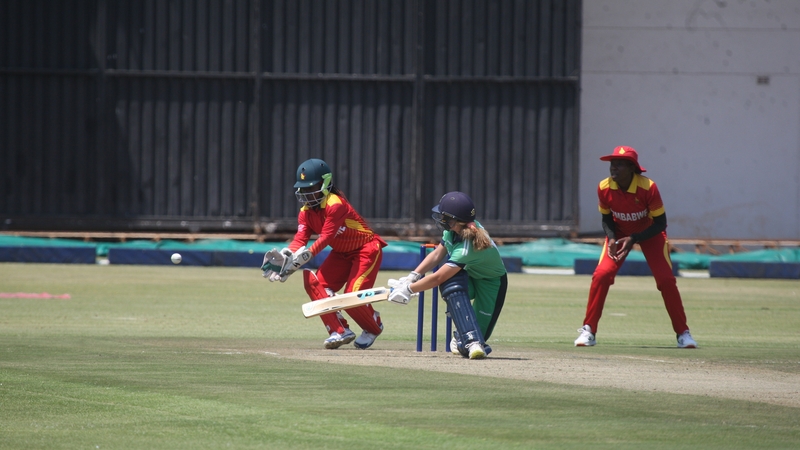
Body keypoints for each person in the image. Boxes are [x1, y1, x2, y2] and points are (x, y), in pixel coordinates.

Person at [575, 146, 698, 348]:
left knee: (666, 280)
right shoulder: (604, 187)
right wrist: (612, 238)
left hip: (650, 233)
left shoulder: (648, 187)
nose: (613, 168)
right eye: (612, 164)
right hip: (619, 234)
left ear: (632, 168)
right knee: (602, 275)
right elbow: (606, 218)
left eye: (619, 164)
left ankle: (683, 333)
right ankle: (589, 330)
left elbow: (660, 223)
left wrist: (634, 238)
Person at [262, 158, 387, 350]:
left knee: (352, 295)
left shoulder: (335, 204)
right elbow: (300, 239)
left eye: (311, 188)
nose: (307, 194)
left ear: (325, 183)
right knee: (316, 284)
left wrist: (298, 261)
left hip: (366, 249)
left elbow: (326, 238)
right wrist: (286, 255)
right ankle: (339, 330)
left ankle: (373, 326)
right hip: (341, 253)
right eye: (303, 189)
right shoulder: (305, 212)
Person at [388, 191, 507, 360]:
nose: (441, 220)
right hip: (471, 276)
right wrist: (412, 276)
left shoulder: (467, 248)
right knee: (451, 282)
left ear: (455, 221)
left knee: (469, 345)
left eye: (445, 217)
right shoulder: (454, 231)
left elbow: (438, 278)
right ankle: (465, 331)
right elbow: (437, 254)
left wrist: (408, 289)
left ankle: (466, 339)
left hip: (492, 283)